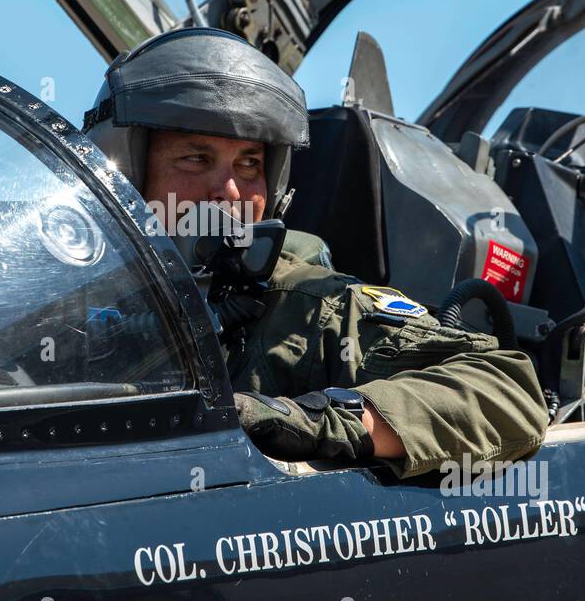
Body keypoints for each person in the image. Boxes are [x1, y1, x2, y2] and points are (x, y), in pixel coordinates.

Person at [83, 27, 548, 478]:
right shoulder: (65, 296)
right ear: (125, 172)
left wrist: (315, 422)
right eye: (195, 159)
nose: (228, 192)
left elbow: (504, 388)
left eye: (250, 164)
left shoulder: (307, 305)